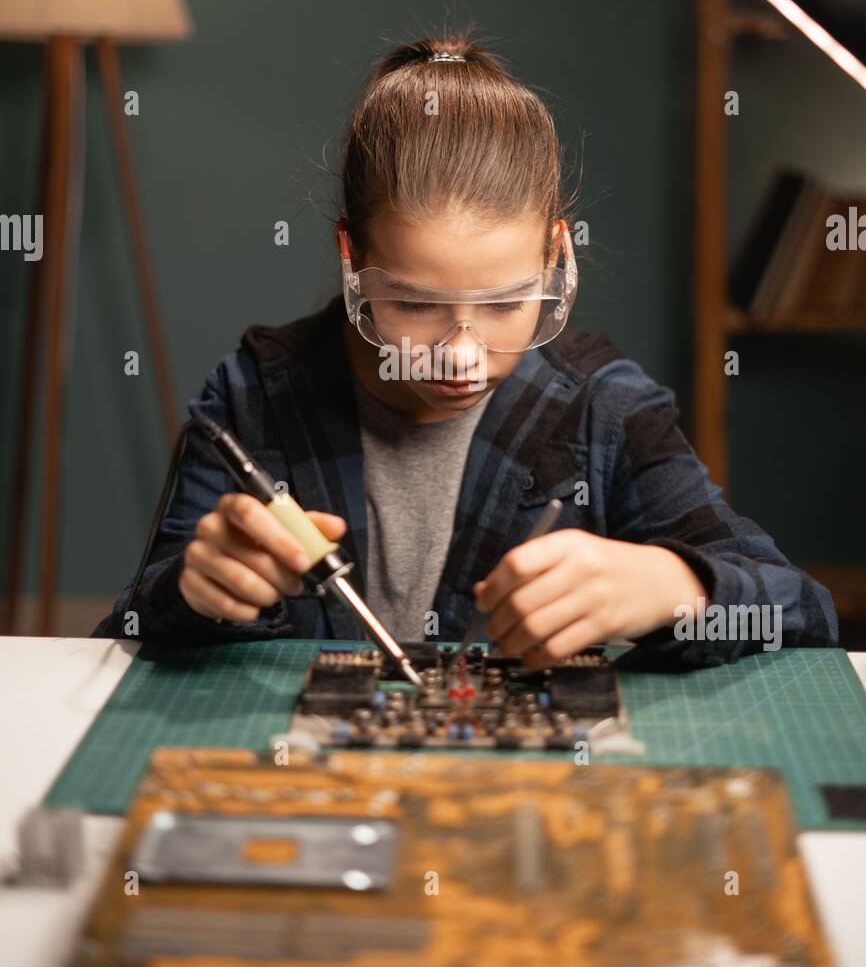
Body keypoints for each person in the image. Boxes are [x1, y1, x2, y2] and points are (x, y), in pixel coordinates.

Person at [92, 35, 839, 668]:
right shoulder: (255, 398)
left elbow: (804, 613)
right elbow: (127, 632)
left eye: (508, 304)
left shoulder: (603, 406)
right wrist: (196, 592)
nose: (462, 357)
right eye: (414, 304)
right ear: (350, 259)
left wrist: (675, 585)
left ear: (557, 256)